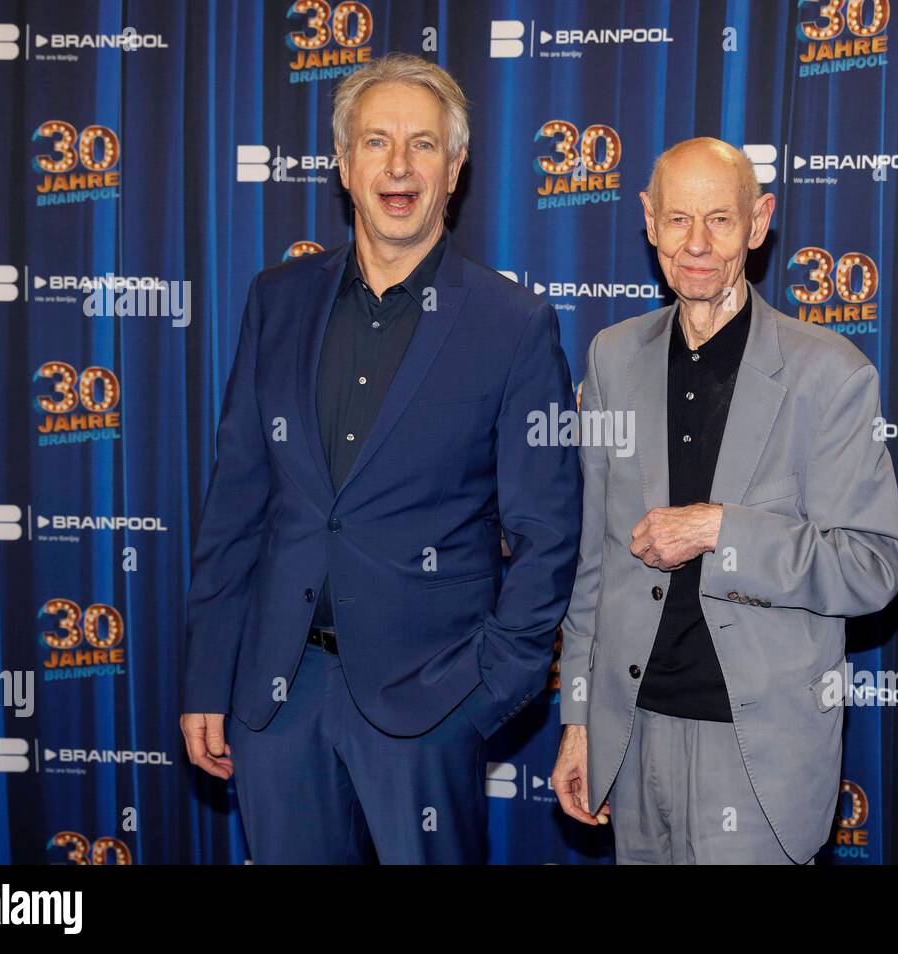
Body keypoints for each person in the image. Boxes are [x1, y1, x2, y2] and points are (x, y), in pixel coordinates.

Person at [180, 53, 581, 864]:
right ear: (343, 162)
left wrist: (484, 691)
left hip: (428, 702)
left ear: (457, 168)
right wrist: (207, 675)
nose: (399, 167)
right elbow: (235, 505)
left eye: (424, 146)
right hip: (276, 695)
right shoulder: (276, 300)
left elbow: (549, 532)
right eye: (377, 141)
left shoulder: (513, 324)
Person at [551, 138, 898, 864]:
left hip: (757, 751)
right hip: (635, 730)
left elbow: (875, 565)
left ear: (759, 222)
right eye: (678, 219)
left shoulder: (830, 374)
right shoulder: (612, 358)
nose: (696, 245)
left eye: (719, 220)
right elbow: (593, 559)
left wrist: (722, 530)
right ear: (648, 221)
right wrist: (580, 718)